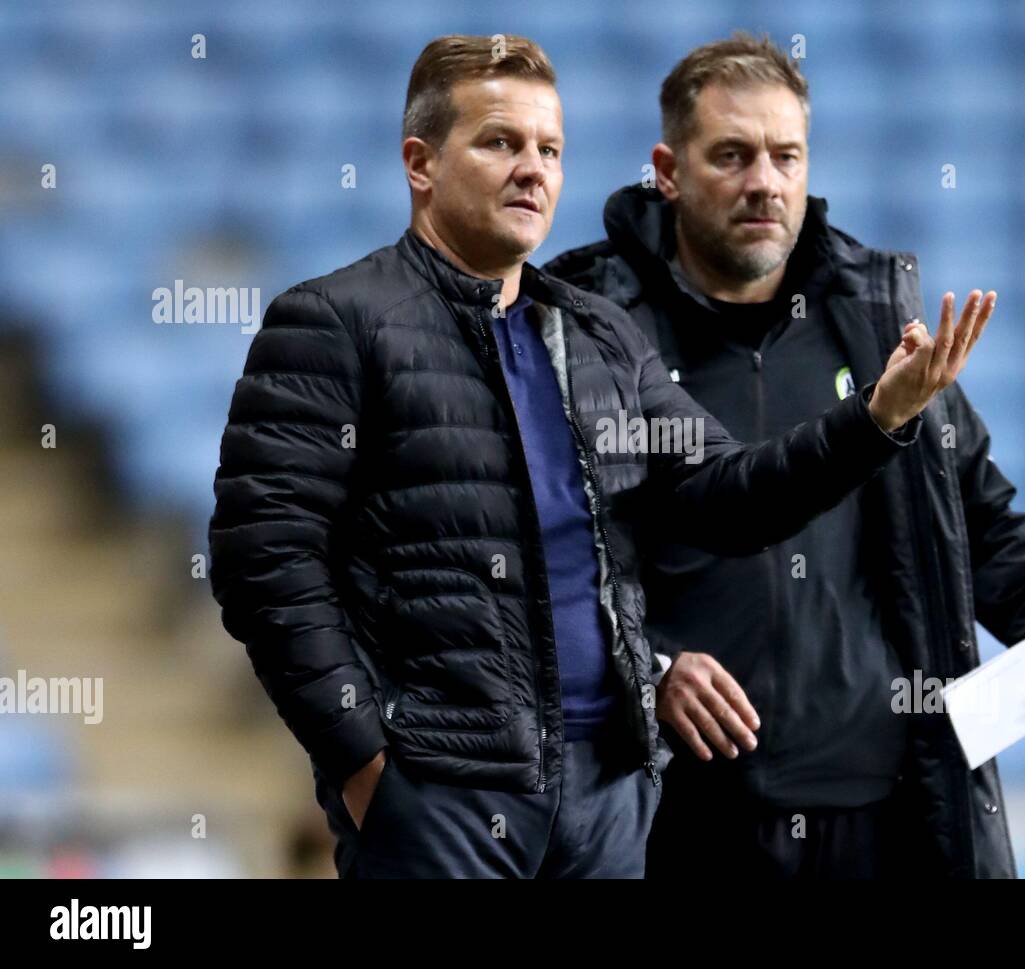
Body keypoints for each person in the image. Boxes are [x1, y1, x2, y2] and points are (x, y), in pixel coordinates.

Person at [207, 34, 983, 878]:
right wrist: (367, 769)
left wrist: (874, 417)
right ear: (420, 164)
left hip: (607, 802)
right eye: (500, 142)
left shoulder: (597, 336)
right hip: (444, 797)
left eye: (549, 149)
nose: (532, 169)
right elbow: (263, 560)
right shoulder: (332, 322)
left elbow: (730, 494)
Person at [546, 32, 1025, 879]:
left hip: (883, 818)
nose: (765, 183)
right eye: (733, 156)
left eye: (787, 156)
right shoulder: (588, 326)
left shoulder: (872, 317)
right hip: (675, 820)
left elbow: (974, 513)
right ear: (667, 171)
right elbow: (547, 559)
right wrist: (651, 670)